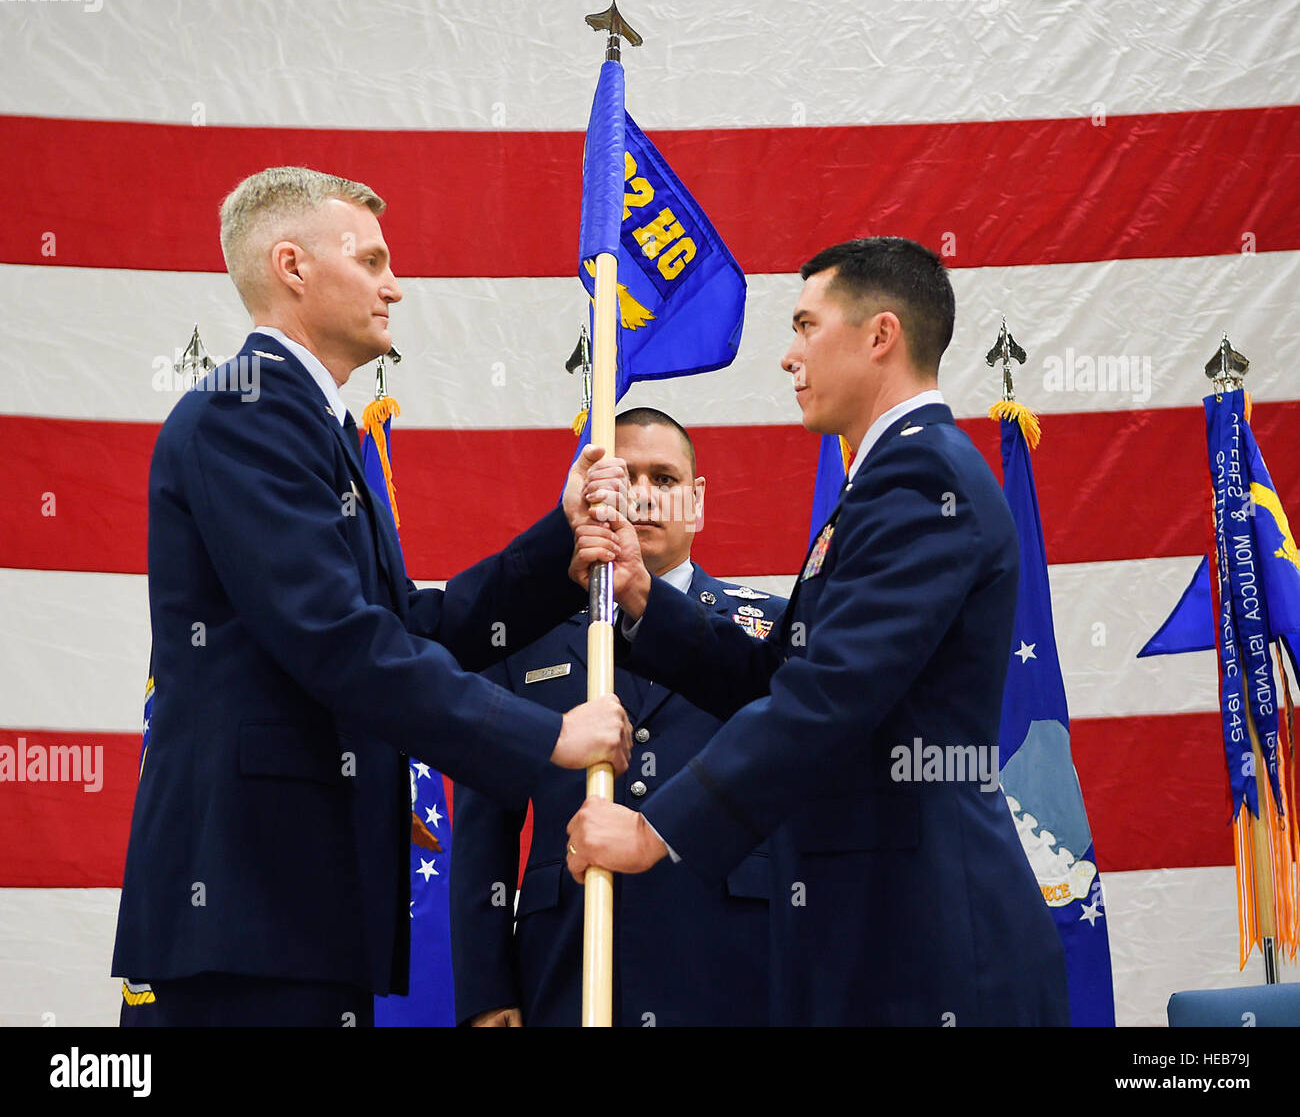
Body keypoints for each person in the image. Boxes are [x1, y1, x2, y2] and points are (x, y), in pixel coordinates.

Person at [111, 166, 632, 1027]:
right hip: (247, 904)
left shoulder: (314, 426)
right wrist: (548, 737)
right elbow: (336, 639)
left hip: (296, 907)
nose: (396, 284)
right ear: (293, 266)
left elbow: (405, 629)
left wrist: (559, 546)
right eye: (373, 259)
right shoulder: (247, 415)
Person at [566, 237, 1071, 1026]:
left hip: (924, 946)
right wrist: (641, 595)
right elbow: (777, 675)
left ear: (880, 337)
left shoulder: (921, 479)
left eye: (806, 326)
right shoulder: (889, 481)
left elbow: (826, 695)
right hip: (875, 937)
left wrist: (654, 828)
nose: (788, 356)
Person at [450, 408, 784, 1027]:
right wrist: (485, 989)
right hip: (568, 960)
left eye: (665, 479)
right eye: (626, 477)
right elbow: (482, 825)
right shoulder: (517, 634)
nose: (646, 497)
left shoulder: (767, 634)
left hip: (734, 959)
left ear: (698, 501)